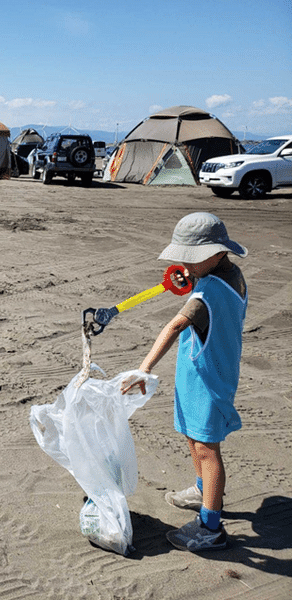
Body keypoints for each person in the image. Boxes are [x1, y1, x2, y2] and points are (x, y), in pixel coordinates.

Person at [122, 212, 248, 552]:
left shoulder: (205, 294)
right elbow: (206, 288)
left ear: (218, 252)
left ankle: (211, 527)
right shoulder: (231, 274)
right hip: (204, 371)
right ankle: (201, 490)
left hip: (208, 379)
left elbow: (176, 325)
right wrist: (190, 277)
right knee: (194, 439)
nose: (185, 264)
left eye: (192, 258)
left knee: (207, 449)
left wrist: (144, 368)